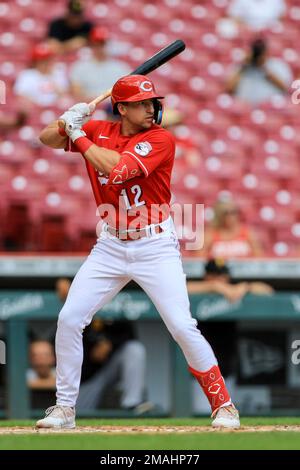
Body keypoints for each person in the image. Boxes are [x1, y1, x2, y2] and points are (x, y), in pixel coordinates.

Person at [36, 74, 240, 429]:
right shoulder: (100, 130)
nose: (152, 108)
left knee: (181, 324)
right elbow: (46, 139)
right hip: (110, 244)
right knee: (69, 319)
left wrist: (78, 134)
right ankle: (65, 408)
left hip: (154, 244)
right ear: (123, 108)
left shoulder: (159, 138)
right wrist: (68, 119)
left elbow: (116, 170)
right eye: (143, 104)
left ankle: (223, 405)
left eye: (152, 102)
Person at [55, 277, 150, 412]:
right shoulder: (71, 308)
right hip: (85, 379)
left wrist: (110, 343)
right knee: (74, 413)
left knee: (134, 349)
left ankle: (132, 403)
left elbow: (129, 334)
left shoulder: (113, 302)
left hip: (109, 369)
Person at [70, 26, 130, 102]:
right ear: (91, 45)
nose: (99, 48)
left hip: (113, 108)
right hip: (89, 107)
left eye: (102, 44)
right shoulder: (79, 67)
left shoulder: (121, 67)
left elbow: (126, 94)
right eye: (96, 44)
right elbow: (77, 94)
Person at [226, 38, 293, 106]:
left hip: (271, 109)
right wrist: (244, 67)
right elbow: (229, 89)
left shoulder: (277, 65)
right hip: (242, 109)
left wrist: (263, 68)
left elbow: (285, 88)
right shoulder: (240, 67)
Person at [188, 258, 274, 303]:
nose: (220, 278)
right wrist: (213, 286)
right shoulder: (199, 287)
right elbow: (181, 289)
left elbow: (268, 290)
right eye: (216, 274)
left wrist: (246, 287)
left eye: (223, 275)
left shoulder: (233, 288)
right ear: (206, 275)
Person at [13, 43, 69, 107]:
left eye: (48, 59)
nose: (46, 63)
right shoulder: (27, 75)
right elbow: (21, 96)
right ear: (35, 62)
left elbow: (64, 95)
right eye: (42, 60)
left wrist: (52, 78)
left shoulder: (58, 72)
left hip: (56, 109)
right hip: (34, 109)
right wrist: (38, 107)